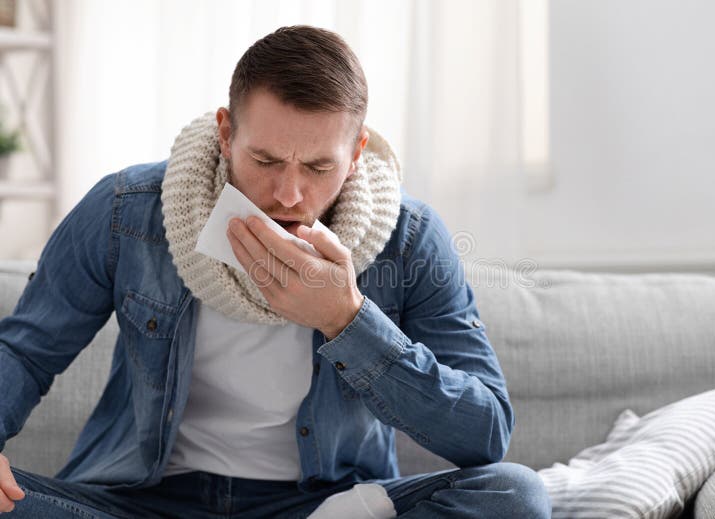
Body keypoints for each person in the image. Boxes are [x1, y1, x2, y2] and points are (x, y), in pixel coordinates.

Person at [0, 25, 550, 518]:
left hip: (326, 507)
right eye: (264, 162)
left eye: (318, 167)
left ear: (357, 151)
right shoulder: (128, 211)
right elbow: (26, 350)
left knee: (514, 496)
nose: (289, 194)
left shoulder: (409, 239)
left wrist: (347, 319)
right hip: (136, 504)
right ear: (225, 132)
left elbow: (485, 436)